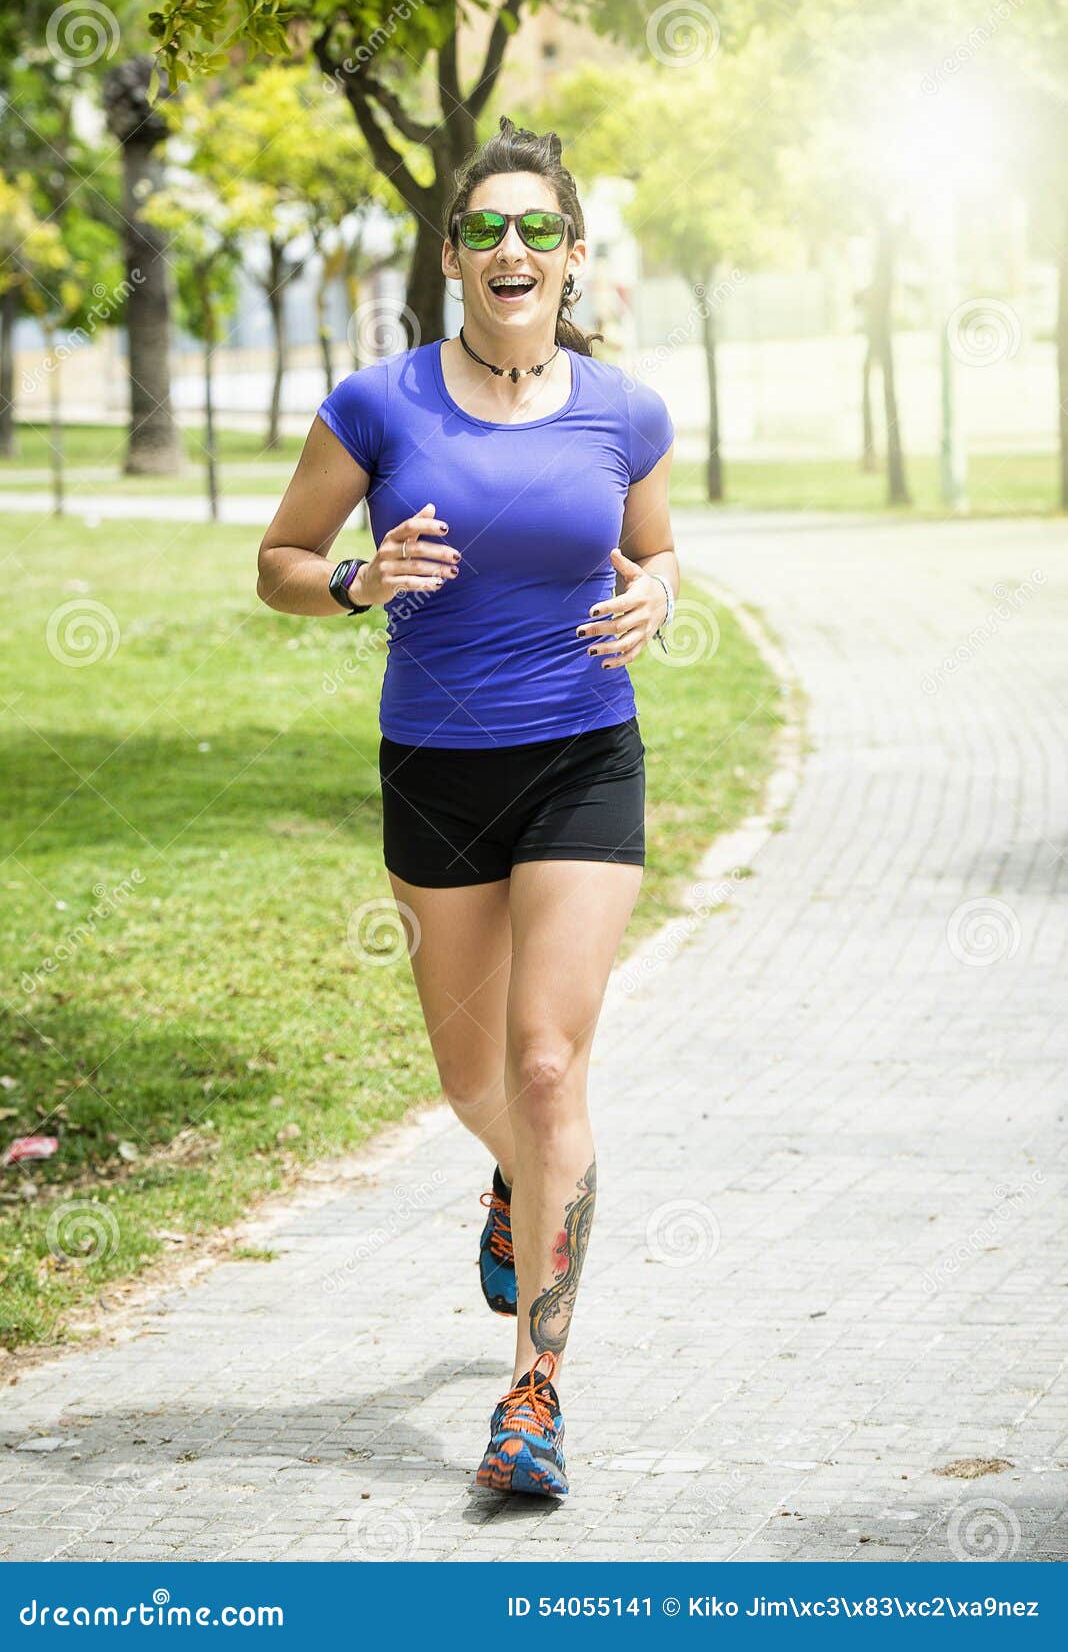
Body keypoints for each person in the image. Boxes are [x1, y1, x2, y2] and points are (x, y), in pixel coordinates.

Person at [256, 116, 677, 1498]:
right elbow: (279, 560)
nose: (512, 248)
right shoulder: (379, 405)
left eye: (536, 227)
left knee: (549, 1066)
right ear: (451, 257)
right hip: (436, 769)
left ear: (570, 254)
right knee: (471, 1081)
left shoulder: (626, 409)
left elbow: (657, 552)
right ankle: (524, 1177)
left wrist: (659, 594)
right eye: (486, 228)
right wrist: (360, 583)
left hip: (580, 754)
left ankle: (533, 1395)